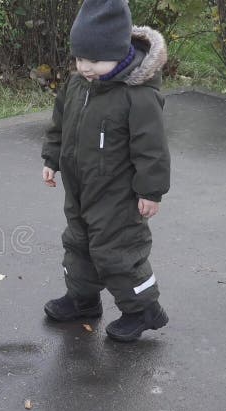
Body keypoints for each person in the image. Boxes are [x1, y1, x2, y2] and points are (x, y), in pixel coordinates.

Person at [41, 0, 171, 341]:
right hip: (81, 187)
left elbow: (152, 149)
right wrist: (51, 159)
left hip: (118, 194)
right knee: (78, 242)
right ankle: (83, 299)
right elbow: (60, 126)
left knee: (119, 251)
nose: (85, 67)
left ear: (119, 53)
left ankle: (144, 309)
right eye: (80, 58)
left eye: (94, 60)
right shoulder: (77, 85)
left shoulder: (137, 96)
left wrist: (150, 191)